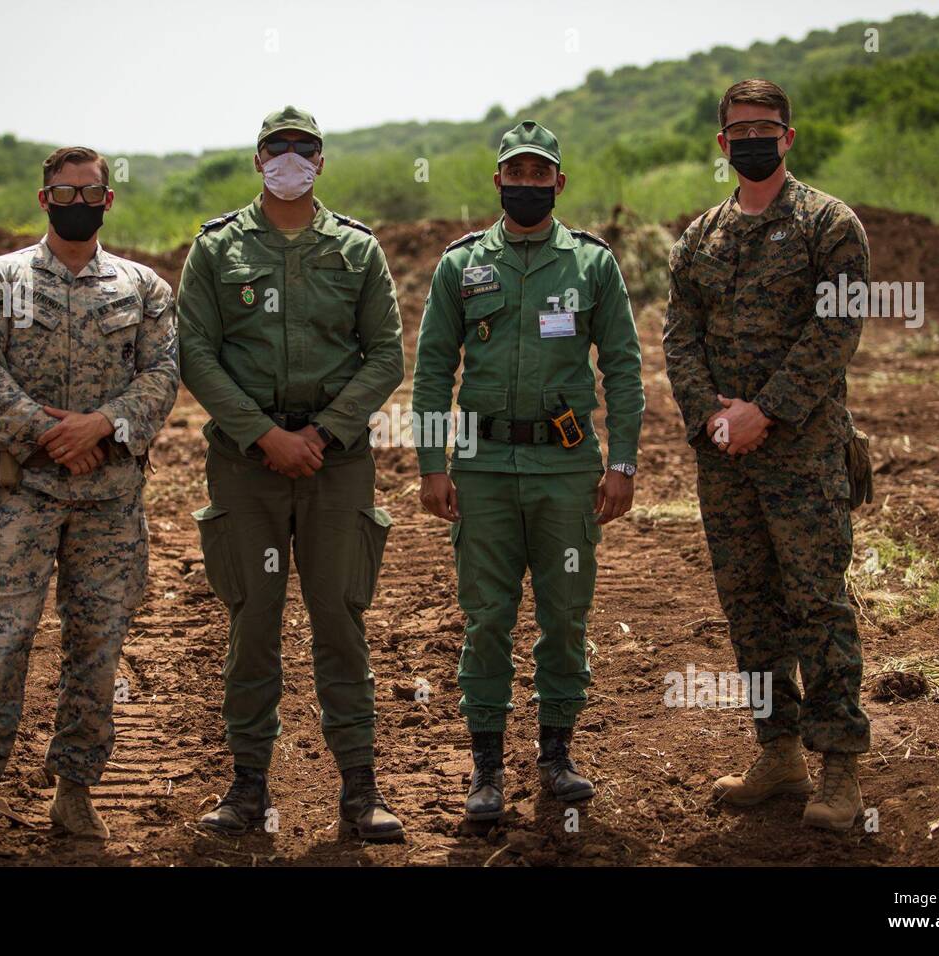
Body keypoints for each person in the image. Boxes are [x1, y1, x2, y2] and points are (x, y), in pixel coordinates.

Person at [177, 106, 406, 842]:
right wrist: (264, 436)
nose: (290, 158)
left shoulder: (356, 249)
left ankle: (360, 790)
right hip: (248, 467)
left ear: (321, 161)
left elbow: (386, 355)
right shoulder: (216, 250)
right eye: (277, 147)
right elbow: (196, 355)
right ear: (257, 160)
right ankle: (247, 788)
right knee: (253, 622)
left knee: (340, 618)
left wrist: (325, 432)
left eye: (304, 148)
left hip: (336, 466)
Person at [0, 146, 178, 843]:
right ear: (45, 199)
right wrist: (49, 434)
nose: (79, 202)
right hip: (23, 494)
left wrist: (102, 426)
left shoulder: (143, 288)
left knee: (97, 645)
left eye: (91, 192)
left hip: (109, 497)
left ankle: (75, 788)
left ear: (109, 199)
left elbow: (164, 375)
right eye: (65, 192)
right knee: (1, 637)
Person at [412, 120, 644, 822]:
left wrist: (623, 462)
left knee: (565, 616)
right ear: (499, 182)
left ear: (559, 184)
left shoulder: (592, 265)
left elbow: (625, 368)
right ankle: (485, 768)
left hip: (565, 468)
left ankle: (556, 754)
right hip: (481, 470)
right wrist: (431, 463)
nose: (527, 185)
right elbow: (431, 370)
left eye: (540, 175)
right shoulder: (460, 265)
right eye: (515, 173)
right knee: (487, 619)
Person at [662, 79, 872, 830]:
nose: (751, 138)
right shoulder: (700, 236)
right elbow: (678, 333)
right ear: (723, 144)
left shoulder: (829, 224)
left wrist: (766, 410)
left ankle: (839, 768)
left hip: (805, 454)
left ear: (788, 137)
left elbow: (836, 331)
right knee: (749, 608)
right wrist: (711, 415)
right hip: (724, 458)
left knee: (816, 604)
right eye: (738, 129)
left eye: (766, 127)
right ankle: (777, 750)